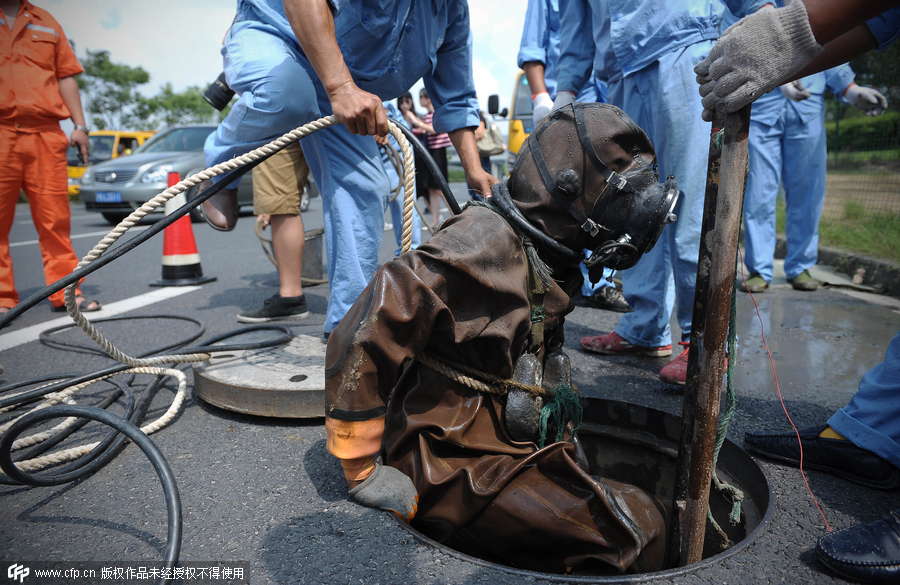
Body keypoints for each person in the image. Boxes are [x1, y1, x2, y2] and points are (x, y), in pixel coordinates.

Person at [324, 104, 677, 574]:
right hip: (449, 458)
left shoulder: (551, 245)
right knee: (634, 533)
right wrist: (361, 468)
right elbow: (367, 326)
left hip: (506, 438)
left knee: (633, 506)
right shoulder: (484, 243)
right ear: (568, 186)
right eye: (616, 179)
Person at [698, 5, 900, 583]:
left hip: (809, 76)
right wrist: (782, 53)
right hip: (793, 66)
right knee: (760, 194)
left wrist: (801, 40)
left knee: (807, 190)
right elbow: (879, 18)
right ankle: (873, 435)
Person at [201, 0, 497, 339]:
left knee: (368, 186)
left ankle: (346, 327)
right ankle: (219, 171)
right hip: (281, 37)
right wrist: (341, 88)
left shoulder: (452, 10)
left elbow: (456, 95)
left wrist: (473, 169)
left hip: (342, 79)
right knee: (286, 93)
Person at [556, 0, 769, 386]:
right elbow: (578, 20)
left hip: (681, 47)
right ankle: (644, 326)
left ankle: (702, 339)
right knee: (630, 207)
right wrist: (566, 87)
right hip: (620, 70)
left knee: (687, 200)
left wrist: (762, 12)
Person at [518, 0, 630, 314]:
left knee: (605, 197)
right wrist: (542, 98)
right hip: (560, 110)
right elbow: (532, 50)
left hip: (601, 102)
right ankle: (549, 282)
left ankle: (599, 281)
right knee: (562, 201)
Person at [739, 61, 887, 294]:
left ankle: (800, 266)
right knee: (758, 194)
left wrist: (850, 89)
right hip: (761, 109)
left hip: (808, 111)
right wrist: (777, 80)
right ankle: (759, 269)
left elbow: (828, 46)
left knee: (808, 193)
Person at [0, 0, 101, 315]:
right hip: (1, 132)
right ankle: (2, 298)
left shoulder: (46, 21)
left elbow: (65, 76)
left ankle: (65, 293)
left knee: (56, 221)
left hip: (45, 133)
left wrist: (80, 126)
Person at [237, 141, 311, 323]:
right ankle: (360, 300)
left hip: (284, 117)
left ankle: (290, 297)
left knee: (280, 202)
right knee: (346, 188)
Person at [380, 101, 421, 256]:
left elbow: (378, 93)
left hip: (383, 120)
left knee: (402, 199)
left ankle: (409, 254)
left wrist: (381, 119)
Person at [417, 88, 453, 229]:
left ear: (428, 98)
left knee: (440, 188)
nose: (420, 100)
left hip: (438, 152)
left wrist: (417, 122)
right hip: (432, 152)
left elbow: (435, 130)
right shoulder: (427, 115)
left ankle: (455, 213)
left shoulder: (436, 114)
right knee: (432, 189)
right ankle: (435, 220)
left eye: (422, 97)